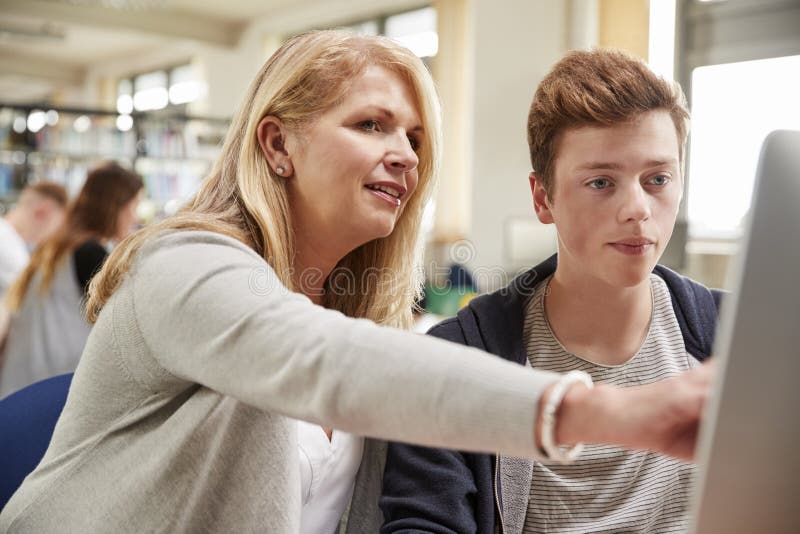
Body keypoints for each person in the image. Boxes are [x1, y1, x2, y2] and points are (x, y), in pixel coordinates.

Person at [1, 33, 712, 534]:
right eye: (372, 124)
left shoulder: (366, 320)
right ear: (278, 144)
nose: (403, 155)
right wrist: (614, 414)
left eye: (414, 139)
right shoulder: (182, 265)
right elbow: (319, 360)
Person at [380, 49, 723, 533]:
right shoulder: (458, 358)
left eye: (658, 179)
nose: (637, 208)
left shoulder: (736, 338)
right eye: (601, 182)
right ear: (543, 198)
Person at [0, 163, 142, 398]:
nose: (135, 217)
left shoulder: (59, 245)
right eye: (134, 206)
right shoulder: (89, 254)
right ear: (115, 206)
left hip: (24, 387)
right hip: (51, 391)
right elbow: (125, 324)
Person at [0, 181, 67, 297]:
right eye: (57, 226)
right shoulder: (7, 244)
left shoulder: (9, 238)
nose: (54, 235)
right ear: (43, 211)